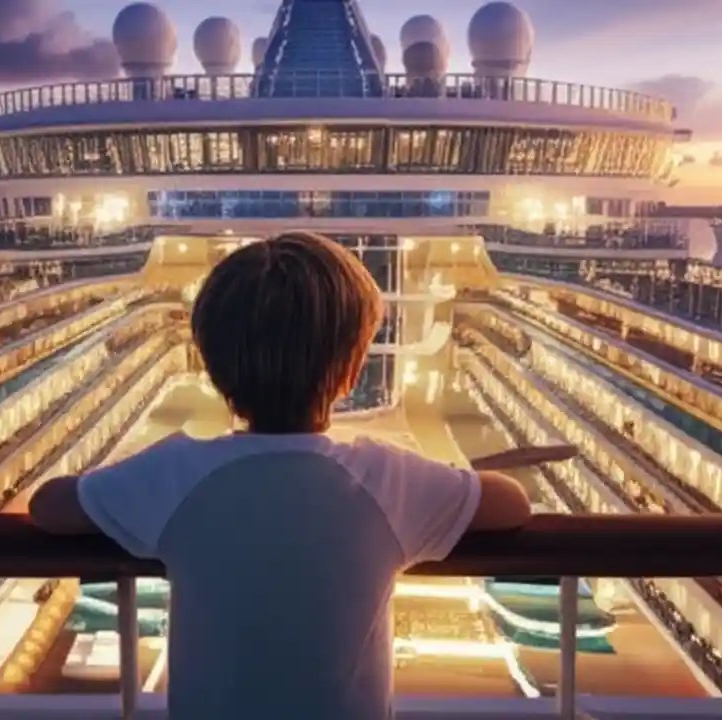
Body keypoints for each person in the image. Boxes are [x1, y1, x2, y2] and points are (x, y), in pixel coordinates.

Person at [28, 232, 577, 720]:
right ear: (352, 371)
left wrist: (129, 475)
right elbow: (510, 504)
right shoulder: (385, 476)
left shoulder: (175, 472)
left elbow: (49, 507)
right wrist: (442, 474)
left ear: (212, 367)